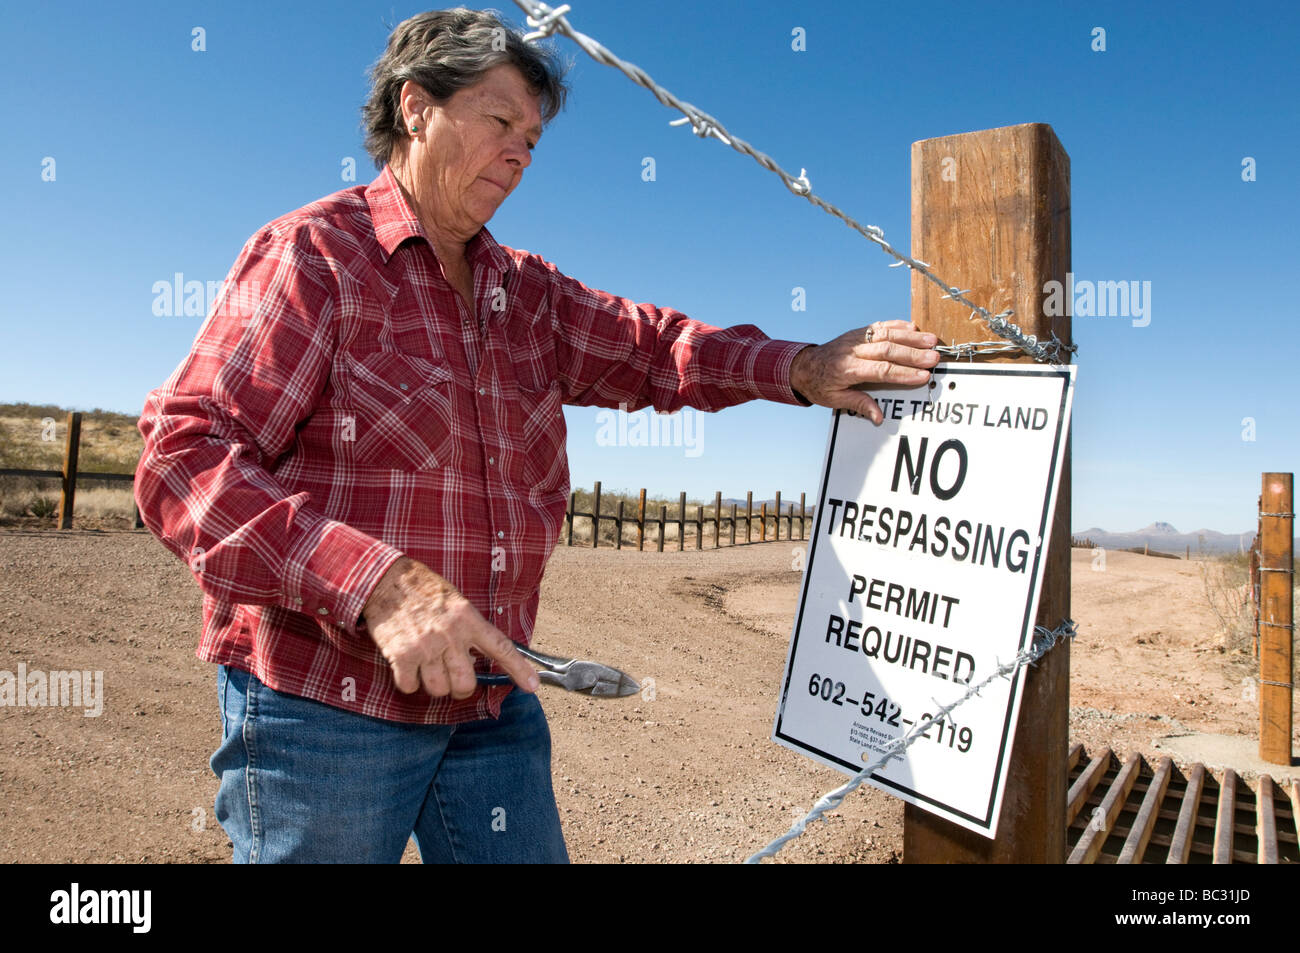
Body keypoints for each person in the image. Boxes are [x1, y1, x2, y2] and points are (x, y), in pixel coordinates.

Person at [134, 7, 940, 864]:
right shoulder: (317, 257)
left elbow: (656, 347)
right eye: (500, 120)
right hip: (323, 706)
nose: (521, 152)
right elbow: (180, 457)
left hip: (492, 698)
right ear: (416, 108)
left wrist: (798, 365)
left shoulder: (525, 294)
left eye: (533, 137)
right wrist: (380, 585)